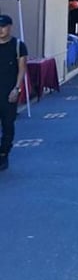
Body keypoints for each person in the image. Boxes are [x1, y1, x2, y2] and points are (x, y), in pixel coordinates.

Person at [0, 14, 27, 171]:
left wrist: (17, 88)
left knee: (8, 124)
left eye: (3, 26)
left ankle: (4, 154)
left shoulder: (18, 45)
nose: (0, 29)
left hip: (9, 92)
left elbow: (22, 69)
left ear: (10, 27)